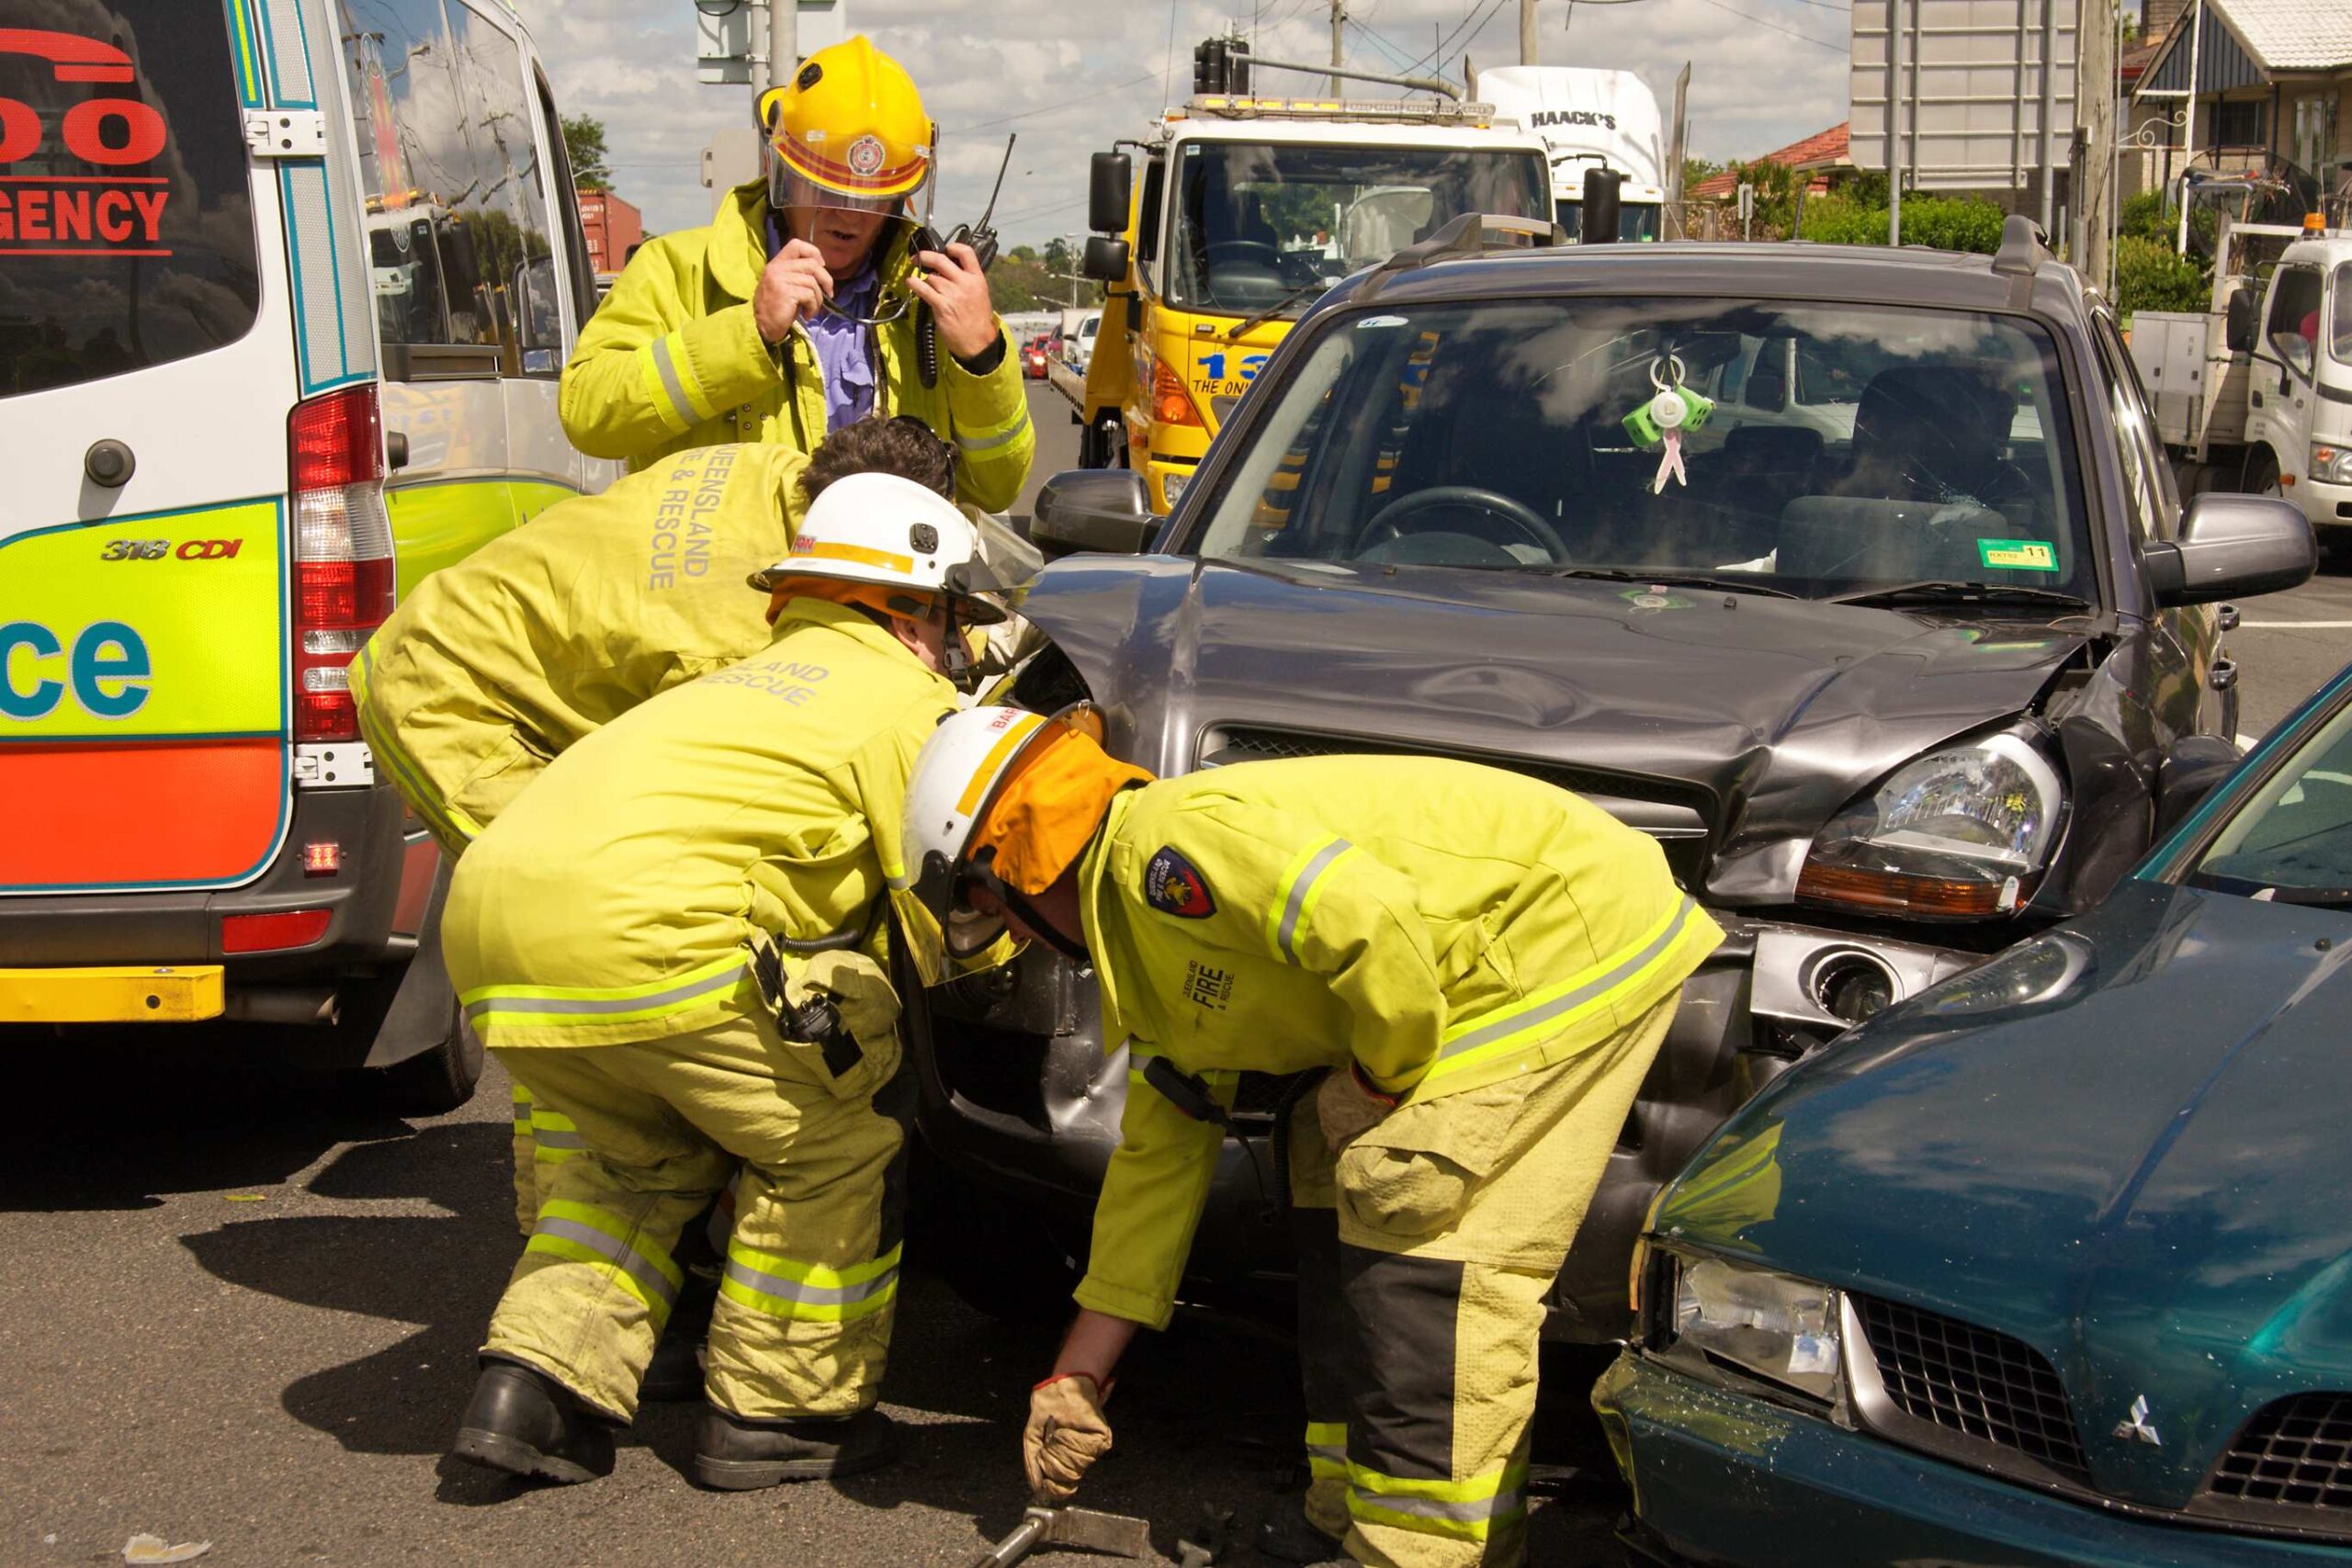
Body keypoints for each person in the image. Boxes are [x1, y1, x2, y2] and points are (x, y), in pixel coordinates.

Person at [898, 711, 1724, 1567]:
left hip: (1559, 939)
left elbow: (1375, 927)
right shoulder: (1134, 936)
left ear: (1019, 855)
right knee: (1325, 1186)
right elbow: (1158, 1163)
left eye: (1000, 908)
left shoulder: (1167, 851)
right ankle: (1341, 1517)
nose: (1019, 933)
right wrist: (1077, 1374)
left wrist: (1376, 1081)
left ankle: (1420, 1552)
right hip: (1479, 964)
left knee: (1416, 1224)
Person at [441, 476, 1029, 1491]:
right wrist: (1011, 967)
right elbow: (943, 904)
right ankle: (782, 1415)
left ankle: (533, 1393)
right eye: (945, 621)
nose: (953, 647)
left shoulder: (726, 684)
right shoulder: (902, 702)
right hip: (649, 948)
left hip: (493, 940)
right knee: (831, 1141)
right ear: (906, 611)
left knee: (637, 1161)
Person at [350, 417, 968, 1240]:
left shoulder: (778, 475)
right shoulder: (733, 632)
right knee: (582, 960)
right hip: (449, 706)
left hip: (471, 654)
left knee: (593, 970)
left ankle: (630, 1205)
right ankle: (573, 1231)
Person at [559, 35, 1035, 512]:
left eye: (871, 200)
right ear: (781, 170)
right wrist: (749, 332)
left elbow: (996, 489)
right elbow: (587, 414)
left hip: (879, 582)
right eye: (828, 192)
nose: (849, 216)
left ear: (900, 197)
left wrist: (981, 359)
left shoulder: (924, 302)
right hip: (724, 584)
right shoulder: (676, 268)